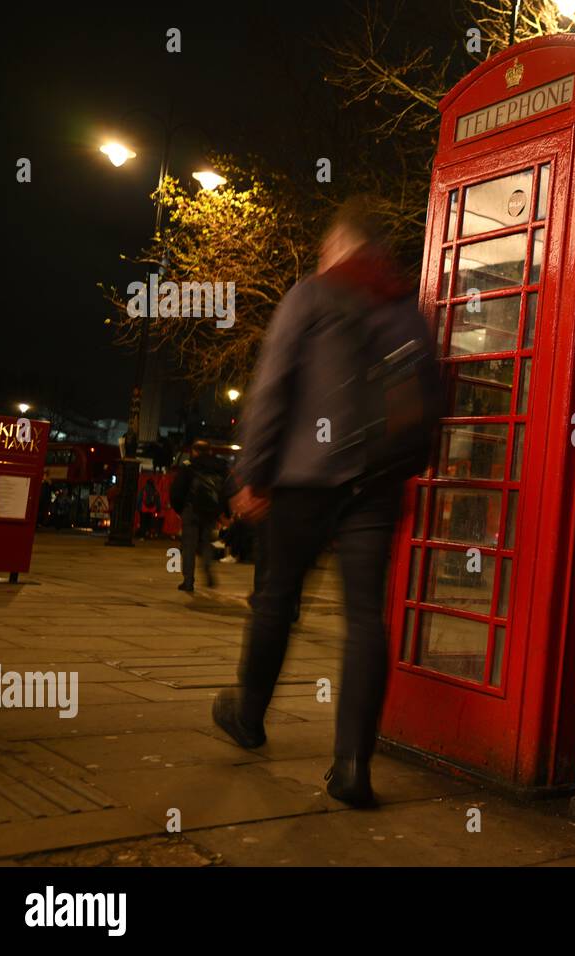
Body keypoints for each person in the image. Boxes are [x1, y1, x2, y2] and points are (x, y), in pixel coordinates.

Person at [212, 196, 435, 808]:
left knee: (277, 599)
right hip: (376, 484)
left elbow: (272, 385)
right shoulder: (406, 309)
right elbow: (427, 401)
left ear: (339, 245)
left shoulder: (312, 294)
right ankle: (353, 767)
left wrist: (251, 472)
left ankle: (248, 715)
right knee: (365, 620)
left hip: (305, 479)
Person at [170, 441, 229, 593]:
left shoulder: (189, 465)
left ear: (194, 451)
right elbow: (226, 490)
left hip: (191, 509)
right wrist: (222, 510)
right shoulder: (220, 467)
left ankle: (188, 581)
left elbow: (178, 489)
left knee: (189, 545)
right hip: (210, 511)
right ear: (209, 451)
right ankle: (208, 570)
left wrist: (180, 509)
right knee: (206, 542)